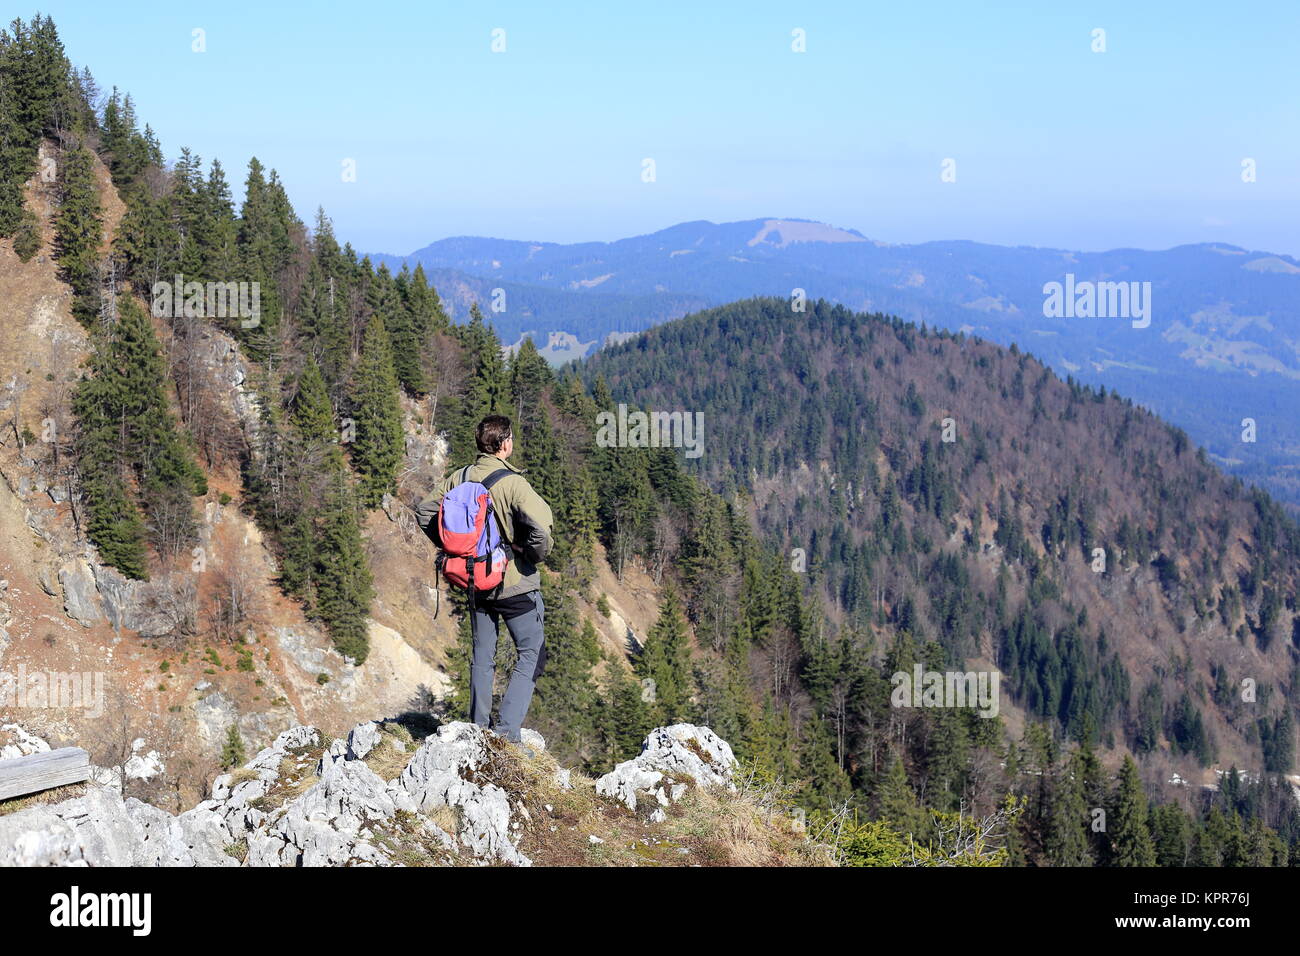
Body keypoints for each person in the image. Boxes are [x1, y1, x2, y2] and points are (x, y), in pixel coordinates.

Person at [415, 415, 554, 743]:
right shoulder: (513, 483)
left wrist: (454, 548)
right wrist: (531, 555)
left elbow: (424, 512)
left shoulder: (458, 478)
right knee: (533, 651)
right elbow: (543, 527)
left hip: (474, 581)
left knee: (483, 655)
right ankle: (506, 734)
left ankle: (477, 729)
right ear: (505, 443)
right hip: (515, 585)